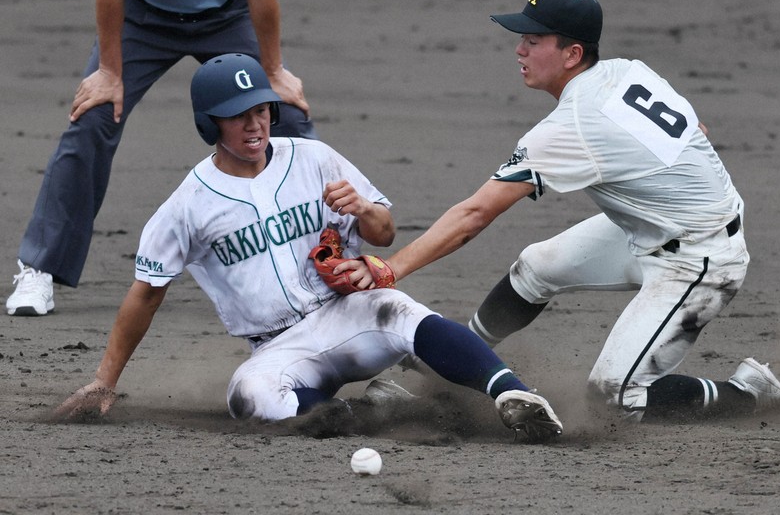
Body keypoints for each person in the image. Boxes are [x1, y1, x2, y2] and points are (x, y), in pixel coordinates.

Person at [341, 0, 780, 423]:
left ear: (572, 54)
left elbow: (474, 215)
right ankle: (450, 367)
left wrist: (390, 268)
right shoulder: (626, 70)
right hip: (661, 225)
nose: (519, 50)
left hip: (701, 258)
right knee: (537, 266)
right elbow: (700, 131)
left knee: (614, 399)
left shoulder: (572, 125)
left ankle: (748, 393)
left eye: (534, 41)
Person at [54, 53, 563, 441]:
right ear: (210, 123)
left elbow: (384, 235)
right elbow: (146, 293)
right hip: (278, 349)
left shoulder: (313, 158)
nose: (254, 124)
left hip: (347, 314)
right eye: (238, 116)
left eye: (261, 110)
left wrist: (364, 210)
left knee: (395, 307)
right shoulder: (187, 206)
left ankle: (510, 393)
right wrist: (104, 381)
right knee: (247, 394)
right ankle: (347, 414)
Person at [7, 0, 317, 316]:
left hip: (226, 17)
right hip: (141, 18)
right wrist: (108, 72)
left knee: (289, 118)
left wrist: (274, 70)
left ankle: (320, 257)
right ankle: (39, 266)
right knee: (93, 119)